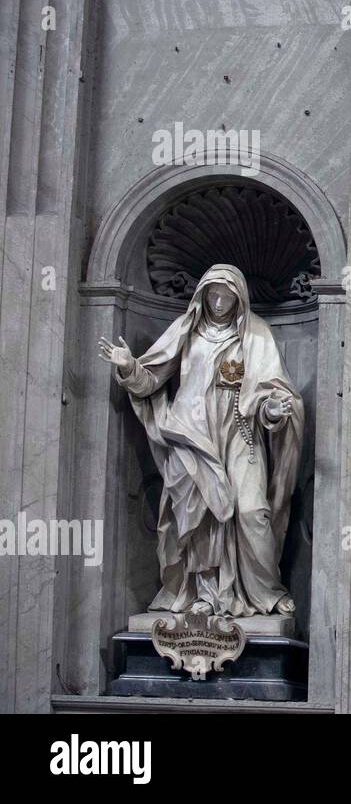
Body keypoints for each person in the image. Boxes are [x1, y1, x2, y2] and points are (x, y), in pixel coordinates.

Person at [97, 264, 303, 618]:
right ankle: (204, 595)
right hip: (191, 436)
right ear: (202, 296)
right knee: (195, 517)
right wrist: (129, 366)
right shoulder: (186, 330)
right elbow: (150, 381)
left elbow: (273, 396)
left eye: (227, 295)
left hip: (240, 433)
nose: (220, 302)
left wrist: (272, 409)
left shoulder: (257, 335)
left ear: (239, 298)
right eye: (213, 294)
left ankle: (266, 591)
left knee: (253, 512)